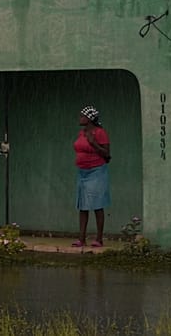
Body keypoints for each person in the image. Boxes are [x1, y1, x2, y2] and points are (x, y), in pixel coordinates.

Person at [71, 105, 111, 248]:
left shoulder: (100, 133)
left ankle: (99, 239)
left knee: (97, 205)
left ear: (89, 119)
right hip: (82, 172)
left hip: (96, 171)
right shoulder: (82, 133)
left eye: (82, 116)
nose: (80, 118)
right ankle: (81, 239)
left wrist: (93, 143)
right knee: (83, 205)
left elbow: (107, 154)